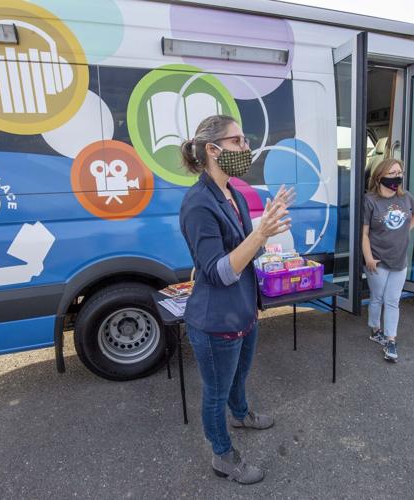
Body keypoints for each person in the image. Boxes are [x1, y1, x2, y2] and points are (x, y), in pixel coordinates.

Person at [178, 115, 294, 484]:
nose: (246, 148)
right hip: (215, 321)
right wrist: (261, 234)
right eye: (238, 141)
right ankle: (223, 456)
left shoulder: (235, 194)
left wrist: (266, 224)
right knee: (216, 393)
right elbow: (220, 272)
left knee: (240, 376)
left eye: (244, 141)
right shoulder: (198, 204)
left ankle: (241, 413)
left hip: (244, 311)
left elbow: (248, 257)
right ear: (213, 150)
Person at [361, 158, 414, 363]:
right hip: (377, 261)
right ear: (380, 176)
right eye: (393, 173)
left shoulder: (406, 197)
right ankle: (375, 329)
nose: (397, 177)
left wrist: (407, 230)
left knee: (392, 301)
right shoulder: (370, 201)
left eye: (400, 172)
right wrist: (368, 258)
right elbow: (364, 234)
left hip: (399, 260)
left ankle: (390, 339)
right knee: (377, 298)